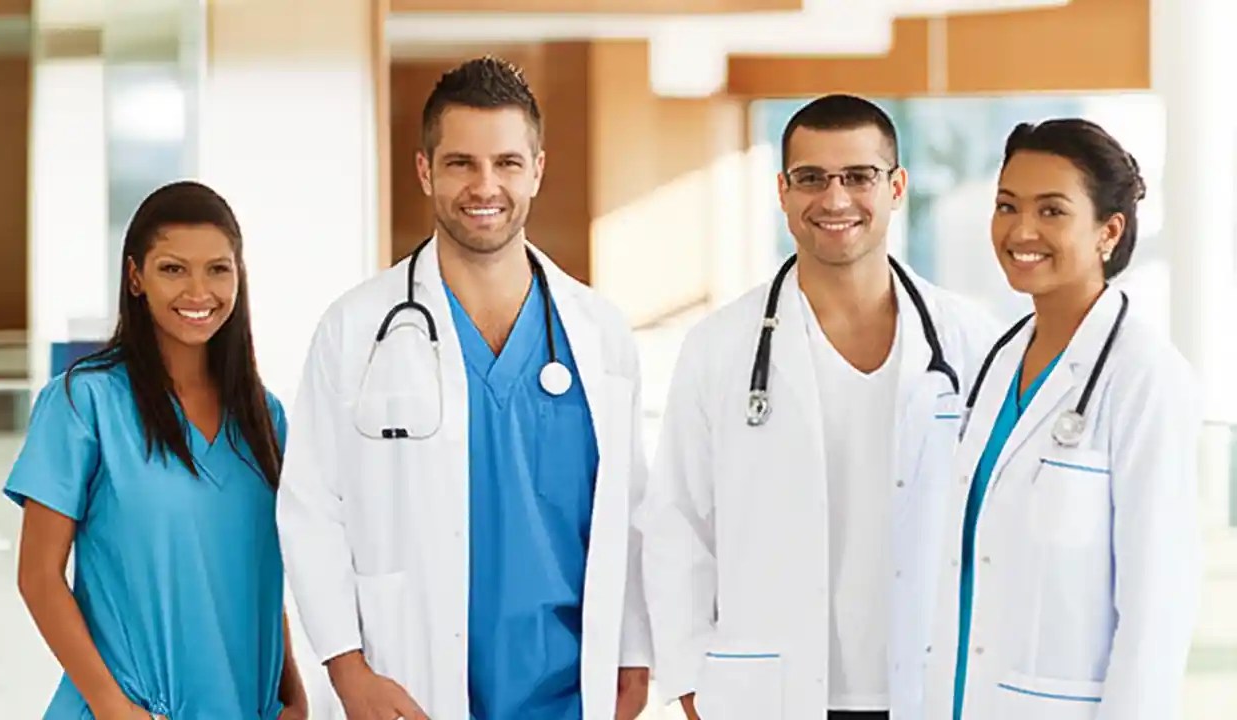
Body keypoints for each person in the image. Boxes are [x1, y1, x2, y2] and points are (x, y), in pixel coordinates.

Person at [276, 56, 652, 720]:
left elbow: (630, 511)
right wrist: (348, 671)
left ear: (537, 167)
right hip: (408, 686)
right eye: (460, 163)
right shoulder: (356, 328)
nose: (486, 185)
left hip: (569, 692)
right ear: (425, 170)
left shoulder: (599, 332)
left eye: (507, 162)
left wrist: (634, 653)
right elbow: (310, 513)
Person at [636, 94, 1002, 720]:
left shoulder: (972, 340)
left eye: (858, 177)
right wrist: (694, 686)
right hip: (763, 692)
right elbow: (677, 524)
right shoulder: (721, 346)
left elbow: (999, 528)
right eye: (811, 178)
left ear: (896, 187)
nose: (834, 200)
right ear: (782, 191)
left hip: (933, 685)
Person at [922, 119, 1202, 720]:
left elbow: (1157, 610)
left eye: (1052, 211)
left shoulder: (1145, 377)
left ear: (1109, 231)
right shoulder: (1000, 362)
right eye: (1007, 206)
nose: (1022, 230)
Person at [4, 180, 308, 719]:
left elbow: (257, 571)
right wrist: (112, 706)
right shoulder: (83, 402)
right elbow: (38, 576)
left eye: (218, 268)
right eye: (173, 268)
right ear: (135, 277)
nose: (199, 291)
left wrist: (293, 692)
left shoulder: (266, 416)